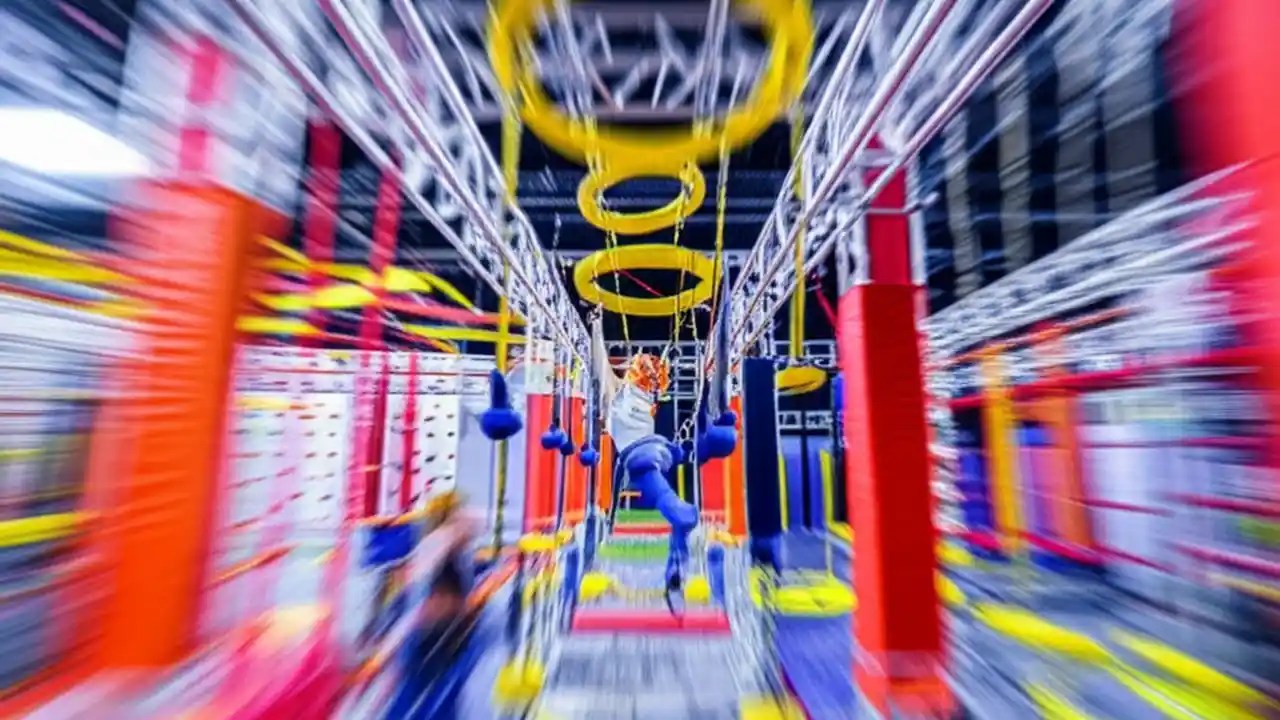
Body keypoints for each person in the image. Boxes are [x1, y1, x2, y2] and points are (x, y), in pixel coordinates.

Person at [590, 309, 698, 591]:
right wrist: (597, 326)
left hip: (640, 455)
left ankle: (680, 518)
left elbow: (600, 362)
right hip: (660, 448)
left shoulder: (616, 394)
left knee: (672, 505)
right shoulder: (648, 395)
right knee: (669, 496)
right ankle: (677, 559)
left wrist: (596, 326)